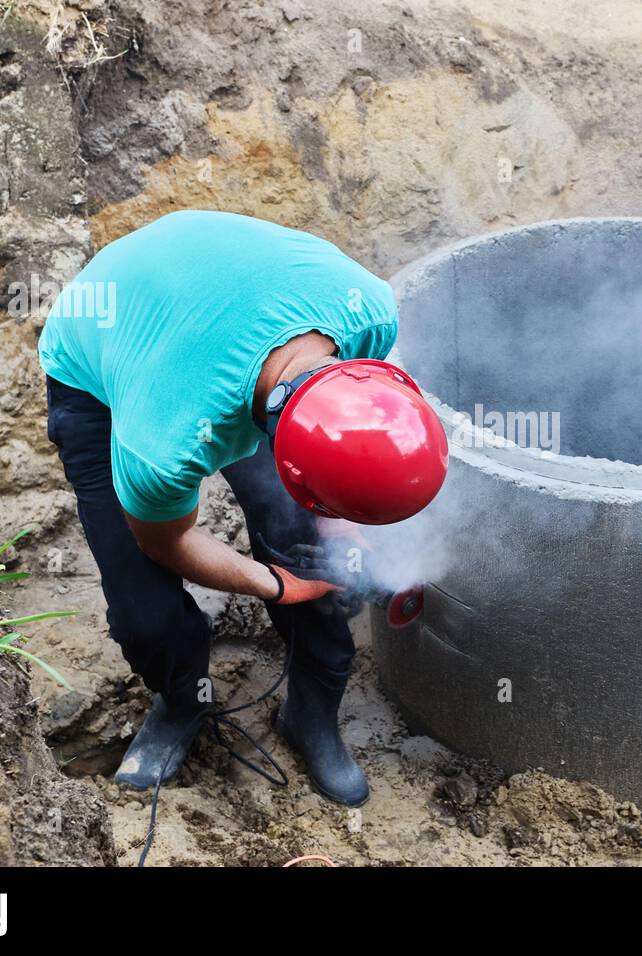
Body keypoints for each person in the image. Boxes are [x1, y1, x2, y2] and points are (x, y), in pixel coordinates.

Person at [38, 210, 447, 806]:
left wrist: (339, 526)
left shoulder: (369, 312)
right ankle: (183, 702)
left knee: (310, 550)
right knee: (143, 613)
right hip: (100, 356)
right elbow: (168, 542)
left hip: (220, 295)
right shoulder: (166, 442)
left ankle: (309, 717)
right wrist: (275, 585)